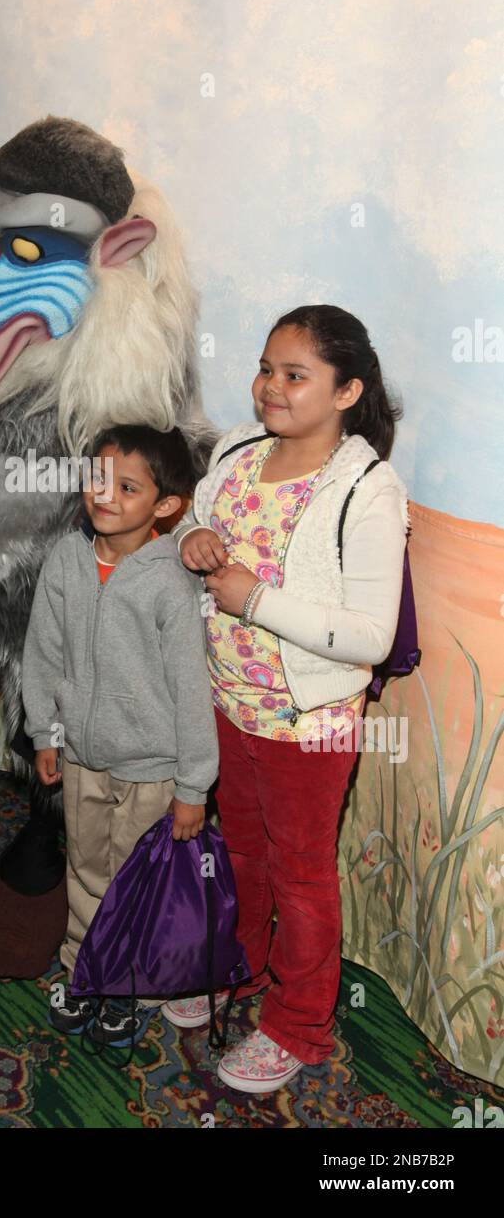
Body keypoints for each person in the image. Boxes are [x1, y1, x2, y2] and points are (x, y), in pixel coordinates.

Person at [165, 304, 408, 1094]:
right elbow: (193, 528)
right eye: (266, 368)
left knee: (300, 870)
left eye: (294, 375)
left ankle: (298, 1026)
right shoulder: (237, 452)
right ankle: (240, 970)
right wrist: (190, 541)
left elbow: (369, 636)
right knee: (240, 850)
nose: (270, 386)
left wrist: (254, 600)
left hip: (309, 721)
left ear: (345, 393)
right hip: (228, 701)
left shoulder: (365, 488)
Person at [22, 424, 220, 1050]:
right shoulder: (65, 558)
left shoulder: (168, 580)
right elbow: (42, 653)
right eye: (99, 479)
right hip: (81, 757)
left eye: (127, 487)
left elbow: (192, 689)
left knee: (138, 880)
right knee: (84, 866)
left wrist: (194, 784)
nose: (105, 495)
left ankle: (132, 983)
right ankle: (86, 968)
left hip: (154, 769)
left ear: (166, 506)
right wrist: (44, 732)